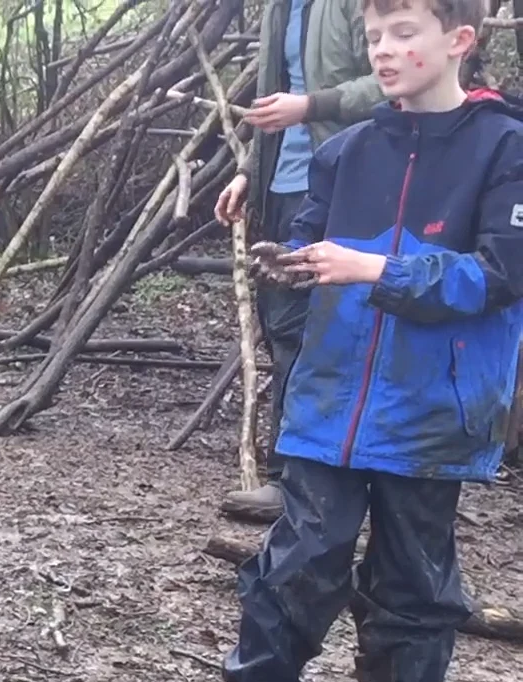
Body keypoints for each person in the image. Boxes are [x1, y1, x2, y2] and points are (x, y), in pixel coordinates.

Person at [219, 0, 523, 682]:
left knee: (416, 587)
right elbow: (316, 241)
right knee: (303, 561)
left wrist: (374, 267)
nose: (384, 52)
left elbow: (500, 275)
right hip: (328, 403)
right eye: (375, 37)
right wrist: (287, 257)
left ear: (458, 41)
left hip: (436, 413)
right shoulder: (349, 148)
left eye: (403, 35)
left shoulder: (505, 147)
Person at [216, 0, 385, 523]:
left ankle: (313, 481)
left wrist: (311, 105)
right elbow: (277, 108)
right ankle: (290, 477)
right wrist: (249, 170)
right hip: (285, 190)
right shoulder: (279, 9)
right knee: (286, 333)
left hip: (346, 189)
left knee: (333, 334)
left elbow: (389, 88)